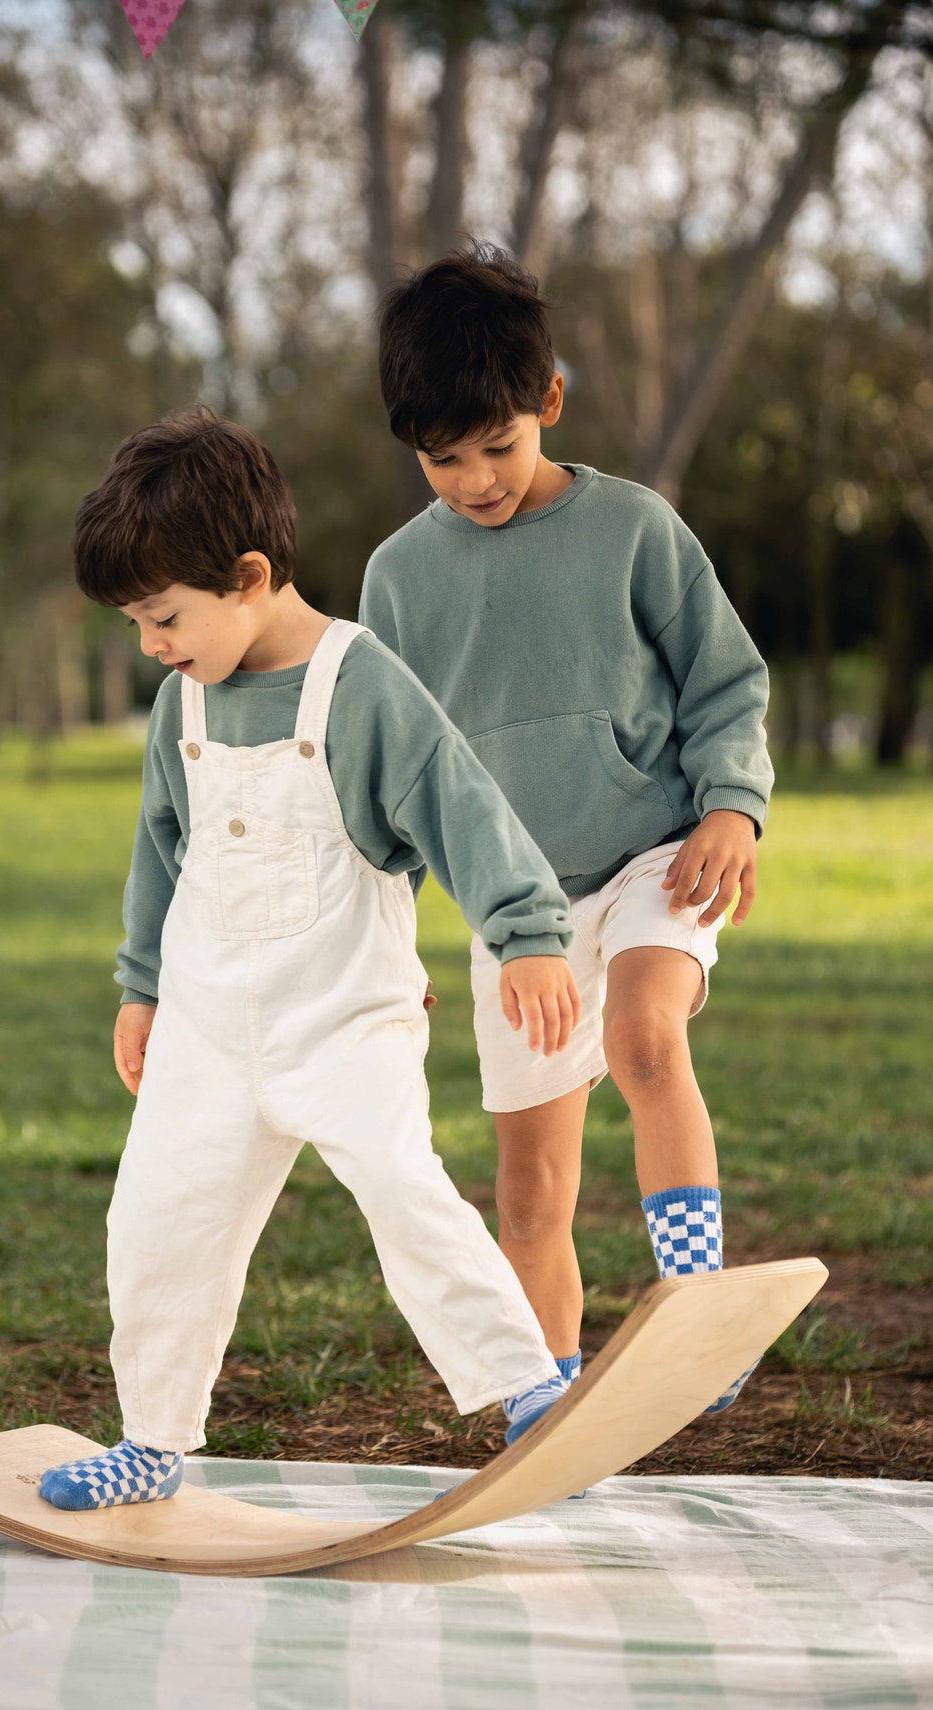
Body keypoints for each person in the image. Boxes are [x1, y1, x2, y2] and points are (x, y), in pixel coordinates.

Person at [38, 407, 584, 1512]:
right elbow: (161, 849)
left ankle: (530, 1391)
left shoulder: (361, 685)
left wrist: (526, 933)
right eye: (140, 624)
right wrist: (139, 987)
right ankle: (151, 1438)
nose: (152, 643)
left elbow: (458, 809)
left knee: (400, 1185)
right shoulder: (180, 701)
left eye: (162, 616)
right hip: (204, 1030)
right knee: (155, 1219)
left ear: (245, 576)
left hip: (343, 1021)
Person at [360, 243, 774, 1418]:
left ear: (548, 403)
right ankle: (551, 1406)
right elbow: (392, 781)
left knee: (646, 1035)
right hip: (515, 908)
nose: (478, 478)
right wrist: (390, 948)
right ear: (414, 448)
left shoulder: (634, 529)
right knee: (531, 1191)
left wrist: (734, 805)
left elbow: (724, 682)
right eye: (446, 459)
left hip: (658, 857)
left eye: (498, 444)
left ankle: (696, 1309)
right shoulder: (399, 581)